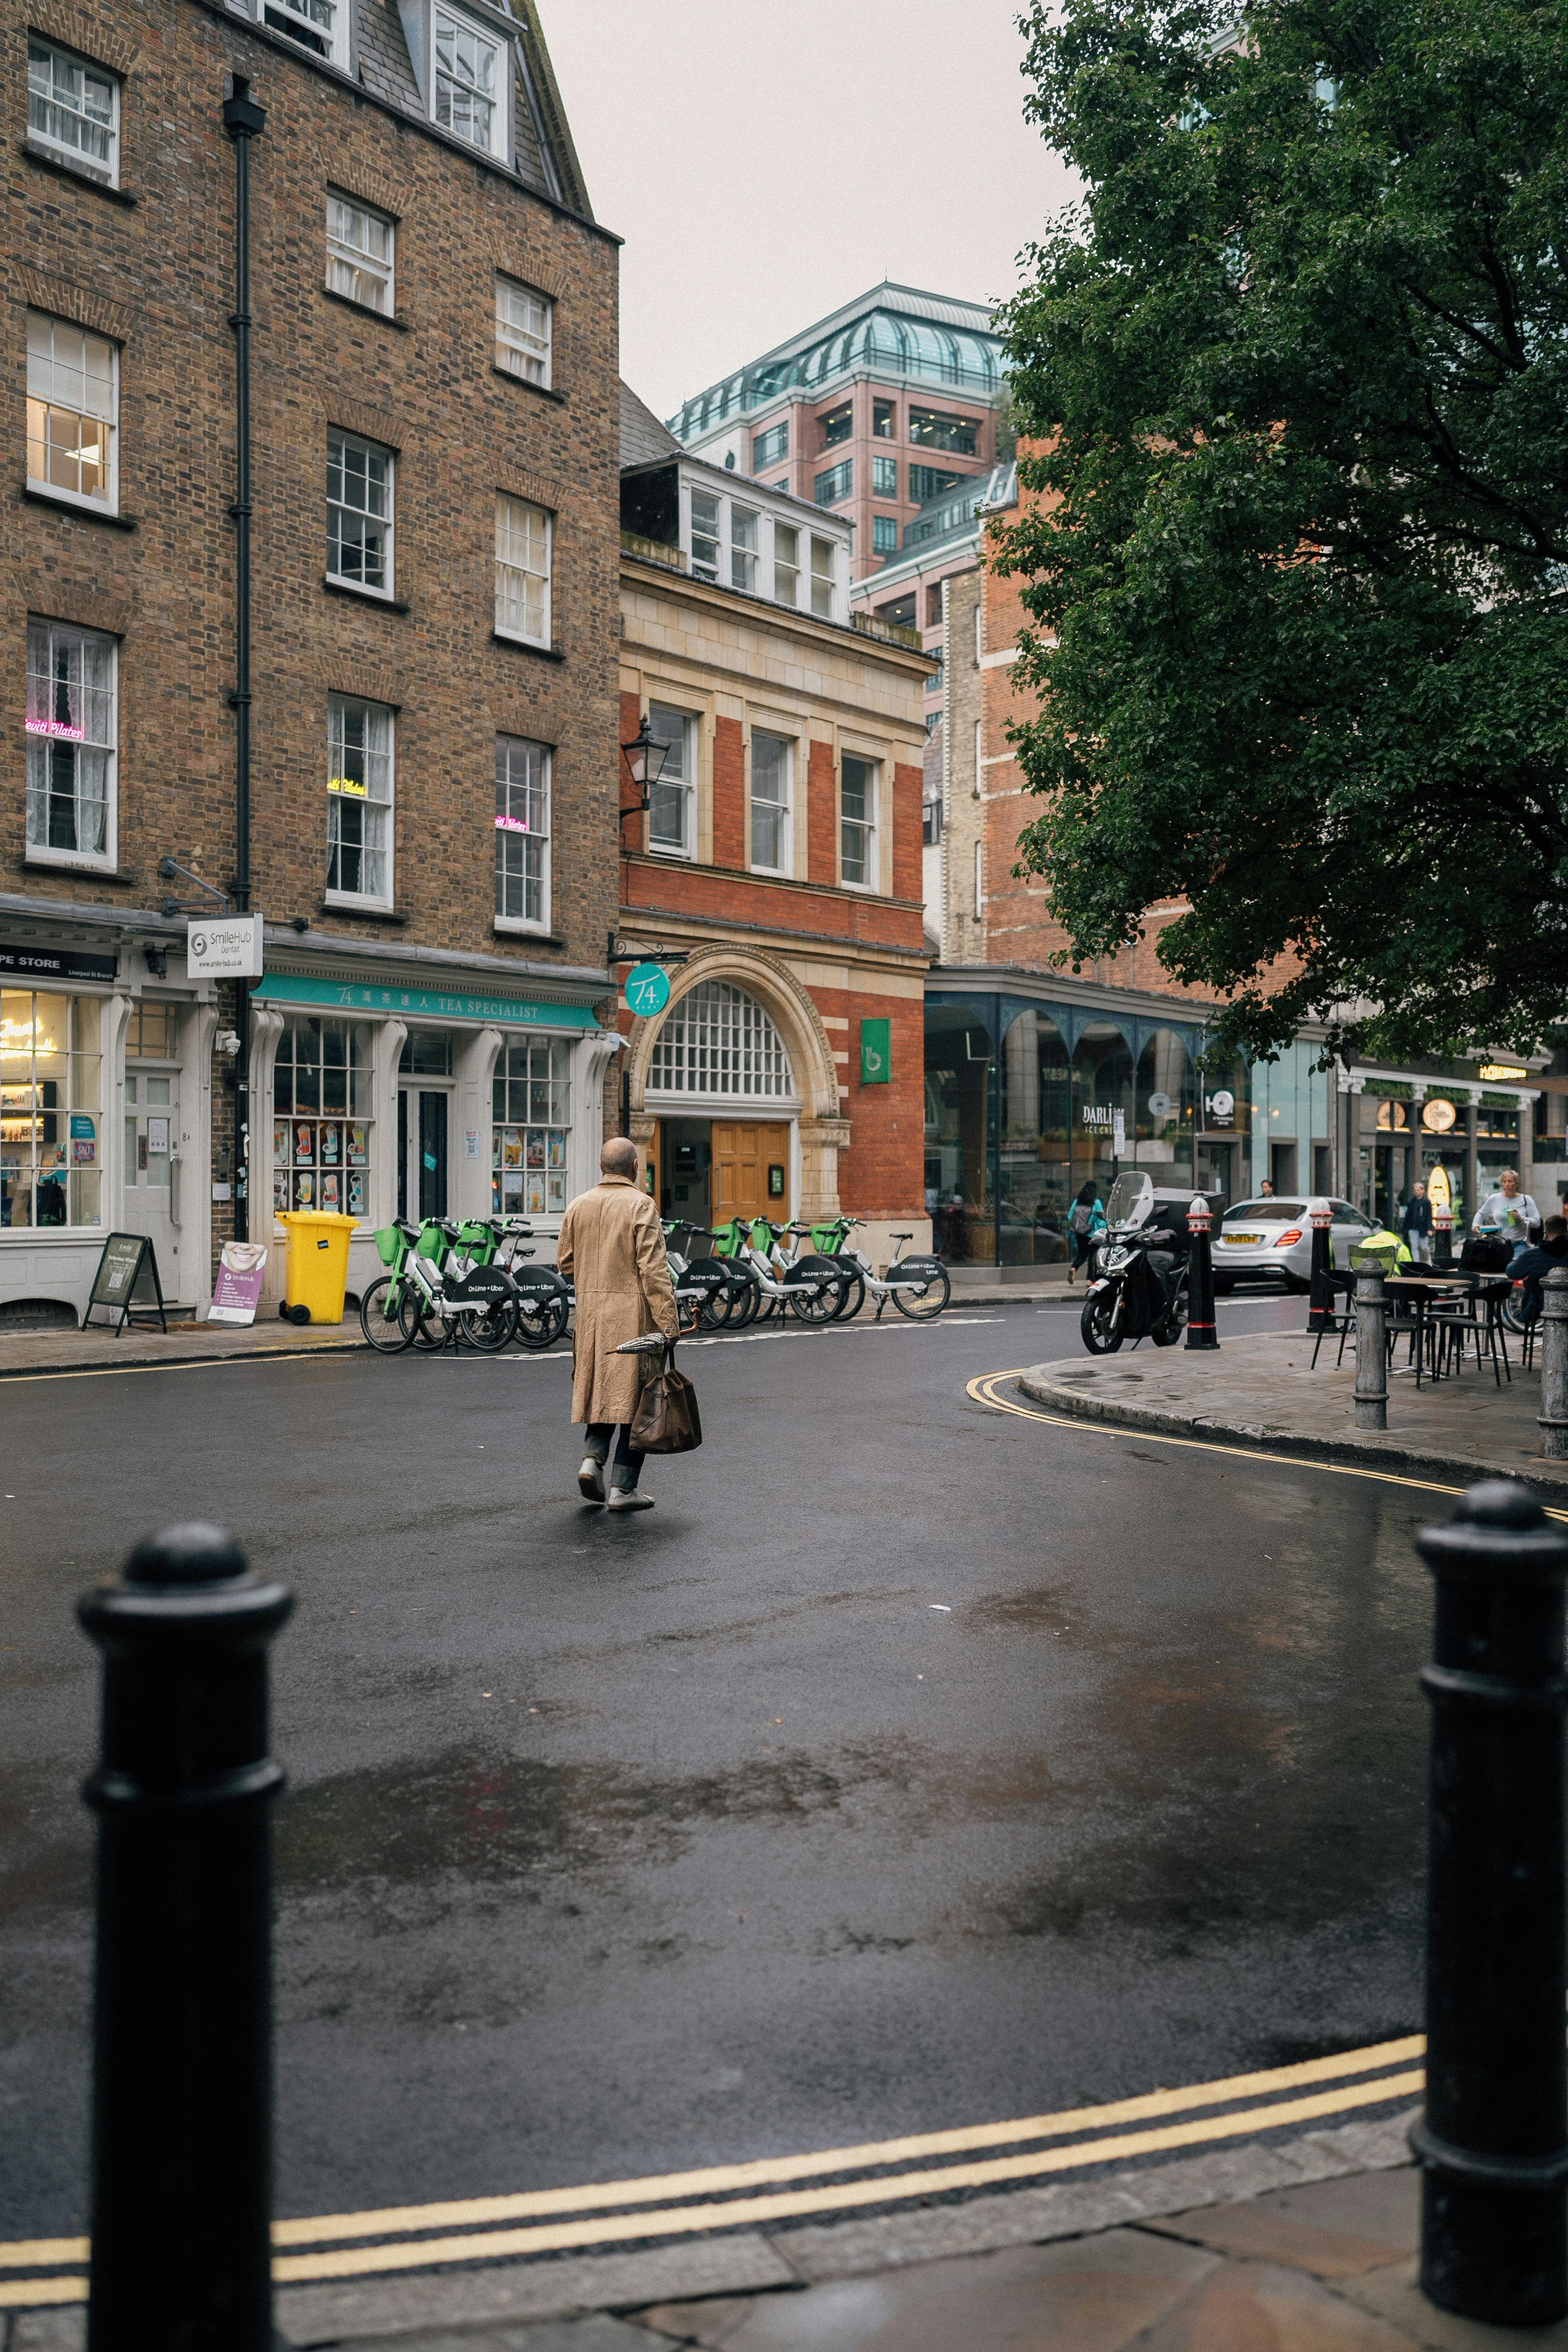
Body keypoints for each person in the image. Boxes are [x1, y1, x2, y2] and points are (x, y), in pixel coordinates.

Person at [556, 1136, 680, 1513]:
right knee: (636, 1400)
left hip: (592, 1318)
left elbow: (564, 1262)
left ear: (600, 1166)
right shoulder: (642, 1205)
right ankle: (623, 1488)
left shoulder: (578, 1205)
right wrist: (668, 1323)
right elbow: (654, 1270)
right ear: (635, 1166)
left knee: (601, 1393)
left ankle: (591, 1461)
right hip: (633, 1317)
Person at [1472, 1169, 1541, 1260]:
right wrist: (1476, 1225)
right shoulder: (1494, 1199)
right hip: (1500, 1244)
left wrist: (1522, 1219)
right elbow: (1481, 1213)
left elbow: (1537, 1222)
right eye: (1504, 1182)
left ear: (1517, 1184)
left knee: (1515, 1265)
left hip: (1520, 1243)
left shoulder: (1526, 1200)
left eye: (1510, 1181)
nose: (1507, 1185)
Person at [1067, 1182, 1100, 1284]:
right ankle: (1089, 1280)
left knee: (1081, 1254)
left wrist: (1078, 1227)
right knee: (1092, 1257)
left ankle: (1074, 1268)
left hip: (1079, 1233)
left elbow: (1070, 1216)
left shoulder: (1078, 1202)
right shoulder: (1096, 1202)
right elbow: (1100, 1219)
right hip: (1093, 1234)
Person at [1400, 1181, 1434, 1265]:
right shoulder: (1412, 1201)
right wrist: (1406, 1227)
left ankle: (1427, 1262)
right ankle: (1416, 1263)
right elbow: (1408, 1215)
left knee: (1424, 1247)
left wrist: (1429, 1228)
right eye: (1415, 1190)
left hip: (1423, 1228)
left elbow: (1429, 1216)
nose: (1416, 1192)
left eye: (1418, 1190)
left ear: (1422, 1191)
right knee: (1414, 1246)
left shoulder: (1426, 1202)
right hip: (1413, 1227)